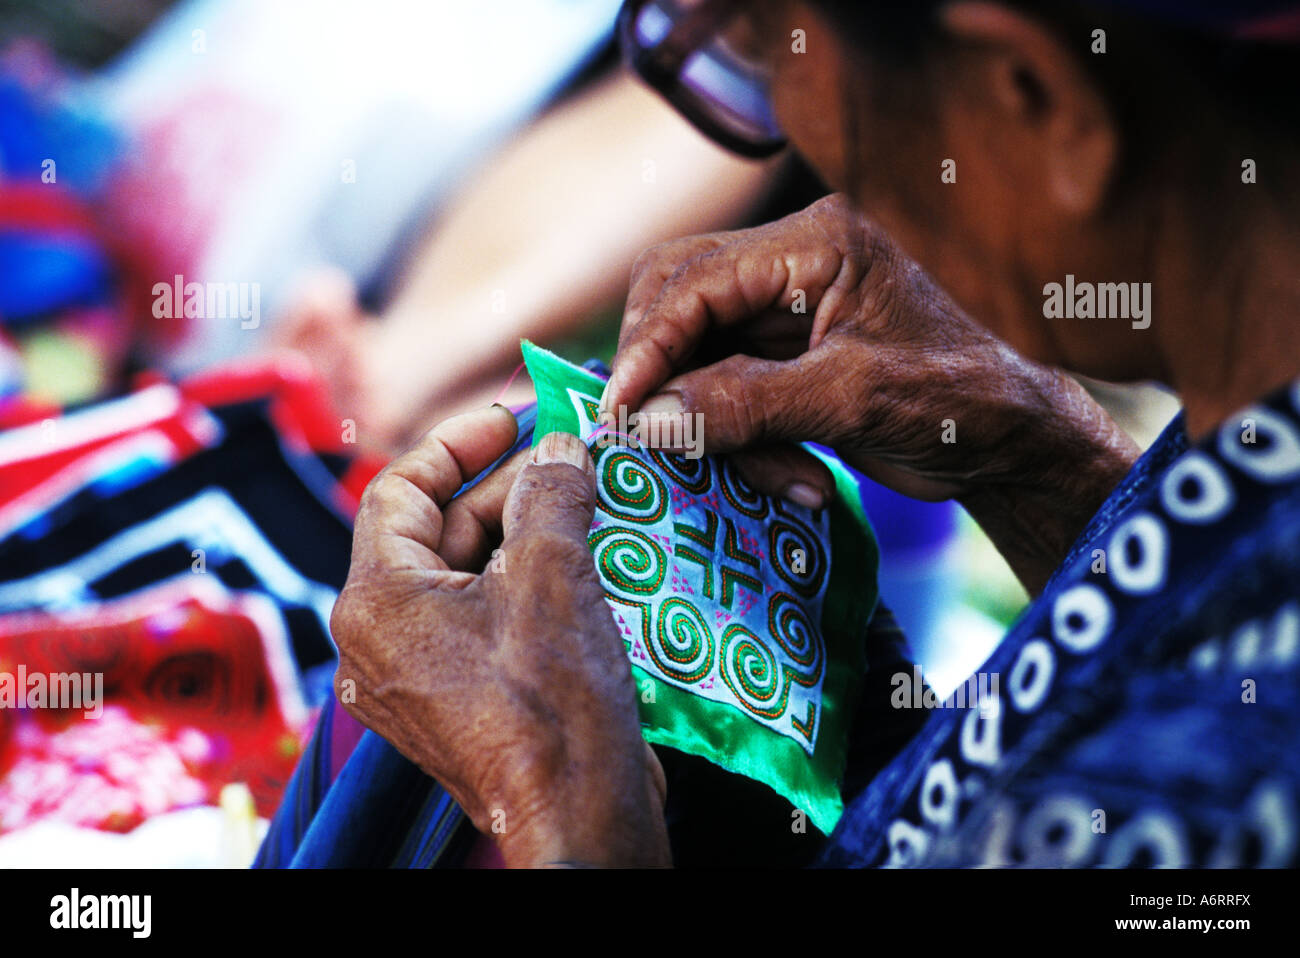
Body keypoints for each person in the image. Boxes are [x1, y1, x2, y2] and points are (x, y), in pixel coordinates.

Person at [325, 0, 1300, 867]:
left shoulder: (1202, 801)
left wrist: (555, 806)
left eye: (772, 67)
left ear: (1032, 97)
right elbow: (1203, 604)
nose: (829, 177)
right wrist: (1048, 471)